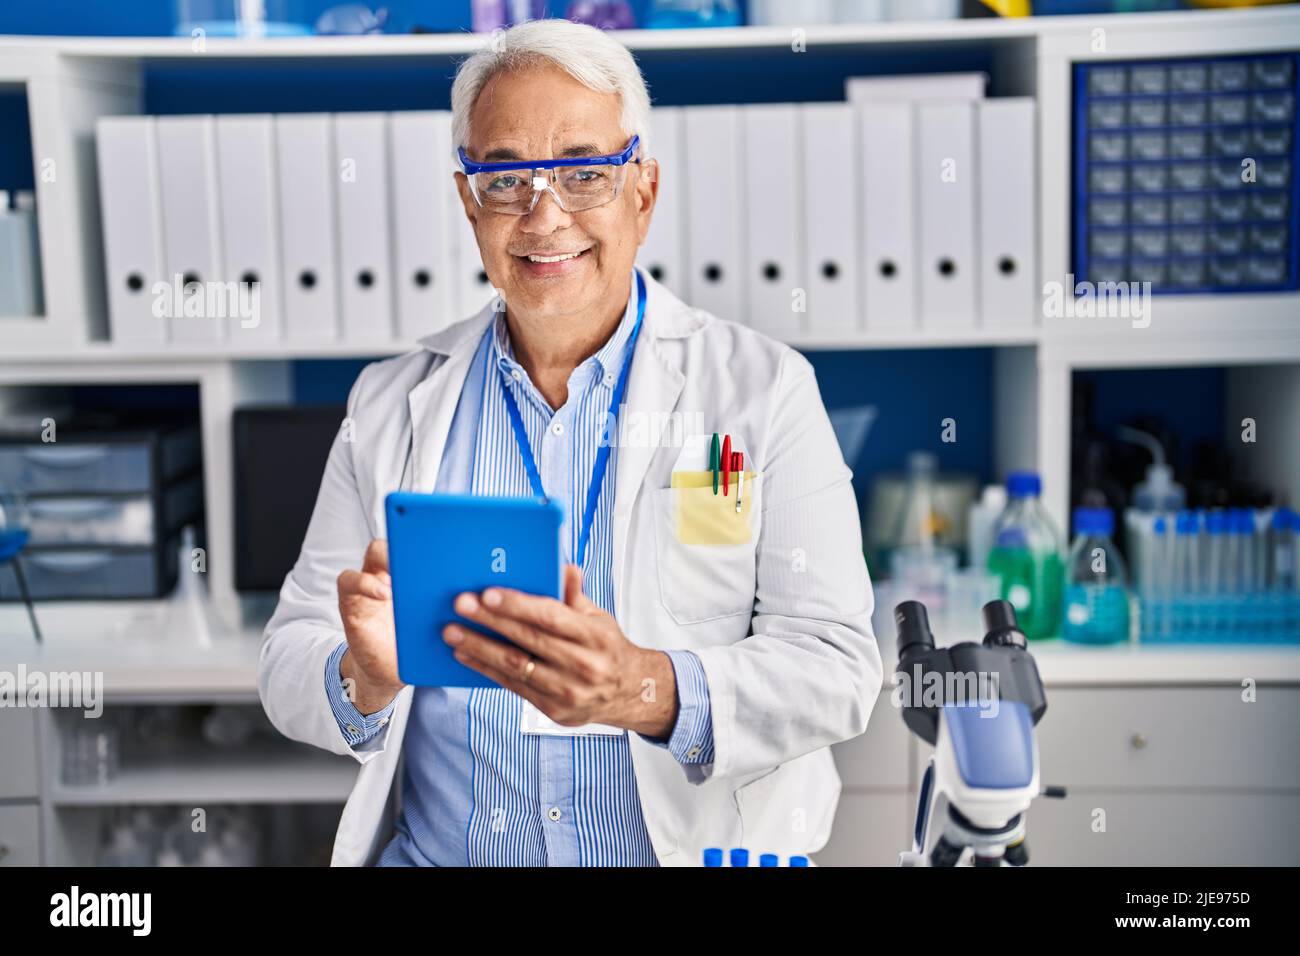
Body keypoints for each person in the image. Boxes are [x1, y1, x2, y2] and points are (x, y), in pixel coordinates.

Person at [259, 17, 881, 866]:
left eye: (585, 173)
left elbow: (839, 669)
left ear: (643, 193)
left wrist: (644, 689)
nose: (543, 216)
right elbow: (289, 654)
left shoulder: (762, 392)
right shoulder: (391, 402)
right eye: (506, 179)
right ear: (468, 201)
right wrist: (365, 674)